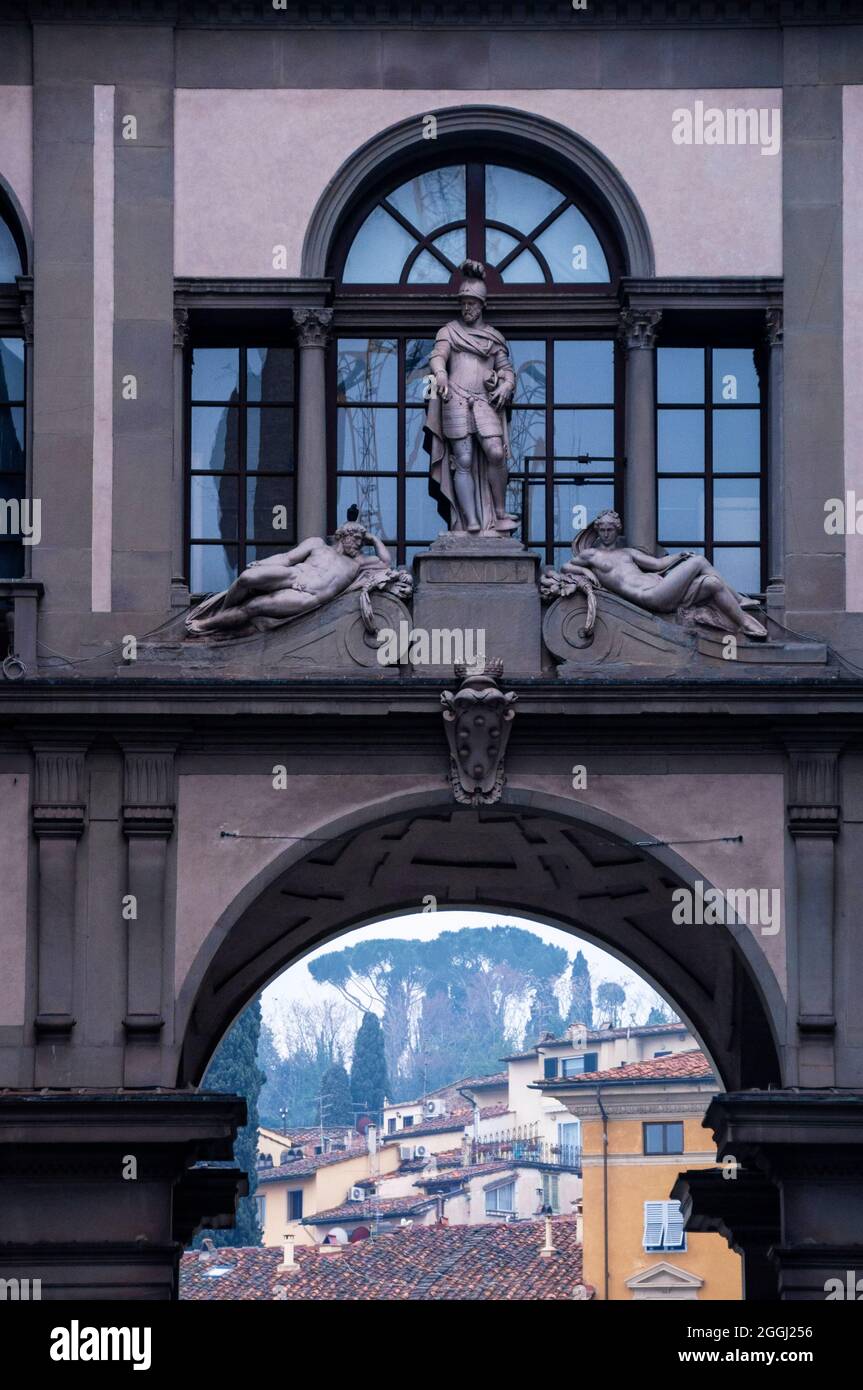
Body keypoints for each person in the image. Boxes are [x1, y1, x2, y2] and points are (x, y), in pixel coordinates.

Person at [558, 510, 768, 639]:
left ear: (617, 530)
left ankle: (743, 624)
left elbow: (658, 563)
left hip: (663, 589)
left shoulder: (628, 552)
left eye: (610, 529)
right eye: (602, 530)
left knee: (711, 582)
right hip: (651, 596)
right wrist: (586, 571)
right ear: (597, 530)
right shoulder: (592, 554)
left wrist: (679, 556)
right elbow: (567, 567)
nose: (605, 534)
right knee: (699, 562)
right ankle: (739, 602)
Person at [425, 259, 518, 536]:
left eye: (472, 303)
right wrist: (440, 374)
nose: (467, 308)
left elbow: (507, 370)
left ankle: (500, 513)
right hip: (454, 398)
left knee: (495, 451)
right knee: (462, 459)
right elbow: (437, 356)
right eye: (463, 303)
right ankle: (470, 522)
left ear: (482, 305)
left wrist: (505, 386)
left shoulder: (493, 337)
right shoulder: (448, 331)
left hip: (484, 401)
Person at [185, 522, 394, 637]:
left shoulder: (359, 563)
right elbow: (287, 558)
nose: (358, 544)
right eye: (356, 538)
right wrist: (263, 563)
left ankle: (206, 625)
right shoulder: (317, 544)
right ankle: (223, 615)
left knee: (254, 606)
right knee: (246, 578)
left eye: (361, 540)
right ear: (343, 535)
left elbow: (385, 562)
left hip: (307, 596)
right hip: (295, 574)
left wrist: (373, 538)